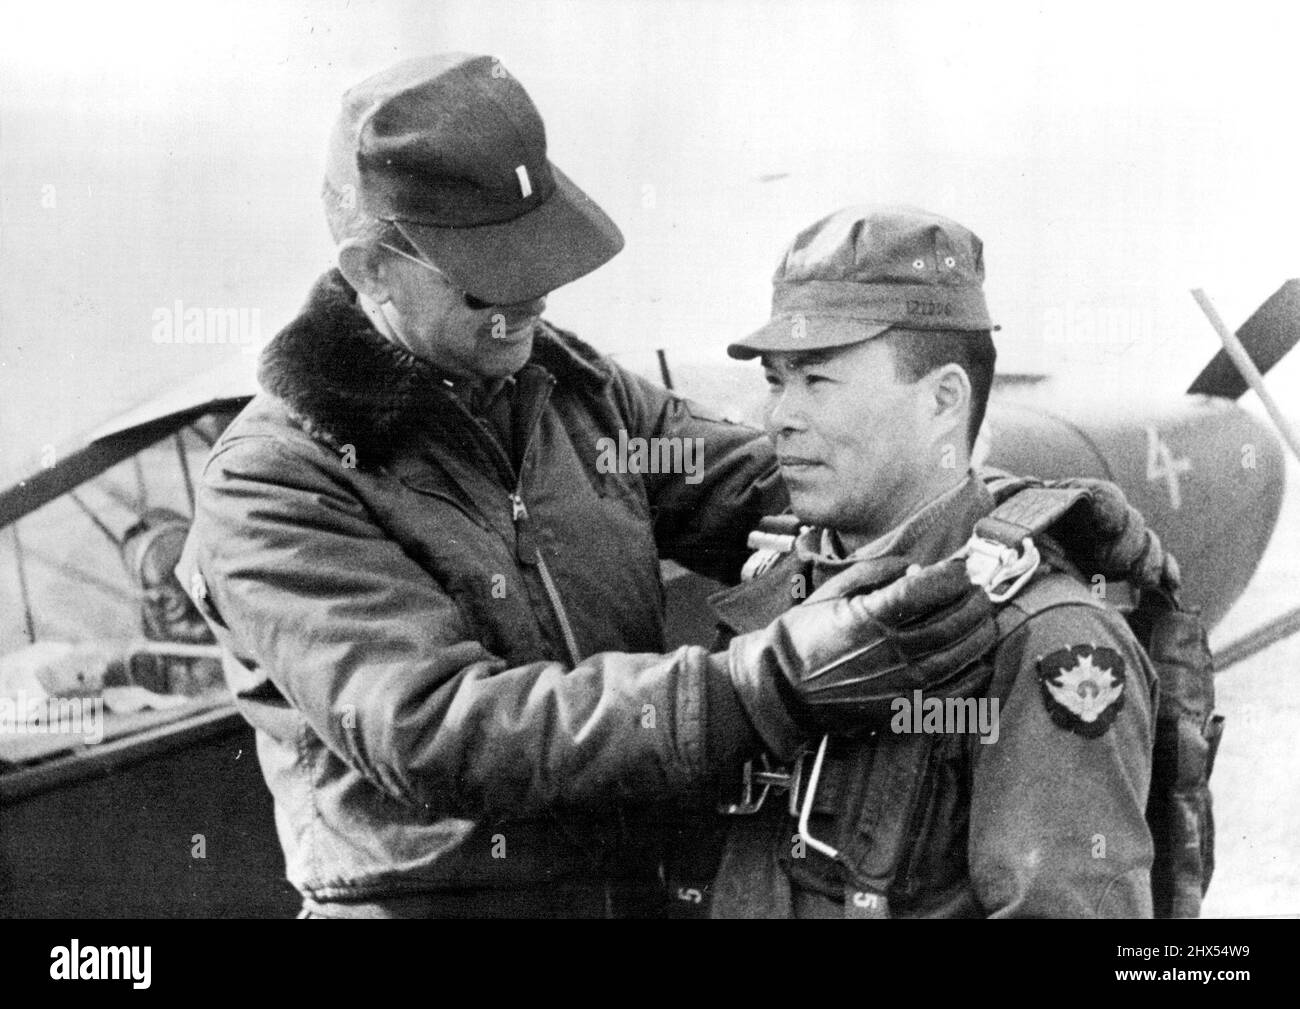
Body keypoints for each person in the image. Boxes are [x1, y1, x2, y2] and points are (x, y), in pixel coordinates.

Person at [174, 55, 999, 918]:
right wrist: (763, 688)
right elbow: (437, 730)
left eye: (540, 254)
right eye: (488, 272)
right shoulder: (279, 480)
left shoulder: (577, 399)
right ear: (372, 268)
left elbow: (783, 480)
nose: (531, 296)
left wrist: (1019, 512)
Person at [707, 205, 1160, 918]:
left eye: (817, 382)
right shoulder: (792, 586)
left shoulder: (1046, 639)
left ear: (944, 399)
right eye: (775, 380)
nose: (779, 418)